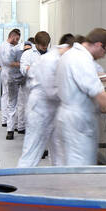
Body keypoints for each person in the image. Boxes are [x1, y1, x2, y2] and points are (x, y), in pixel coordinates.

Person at [53, 28, 106, 166]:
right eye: (105, 51)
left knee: (66, 166)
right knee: (79, 170)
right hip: (78, 122)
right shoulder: (81, 60)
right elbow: (100, 96)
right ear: (99, 45)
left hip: (67, 118)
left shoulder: (70, 56)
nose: (104, 56)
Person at [16, 32, 60, 168]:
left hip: (51, 103)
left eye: (46, 46)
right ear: (36, 44)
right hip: (33, 97)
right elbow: (24, 70)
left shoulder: (53, 54)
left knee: (57, 146)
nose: (44, 48)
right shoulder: (27, 54)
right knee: (33, 141)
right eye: (42, 46)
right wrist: (38, 68)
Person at [0, 28, 25, 140]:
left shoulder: (3, 46)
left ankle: (6, 120)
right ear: (13, 36)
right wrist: (19, 64)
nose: (17, 41)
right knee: (9, 98)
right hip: (9, 73)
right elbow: (7, 61)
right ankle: (7, 121)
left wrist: (1, 63)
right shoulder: (6, 47)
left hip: (6, 72)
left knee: (6, 96)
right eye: (17, 39)